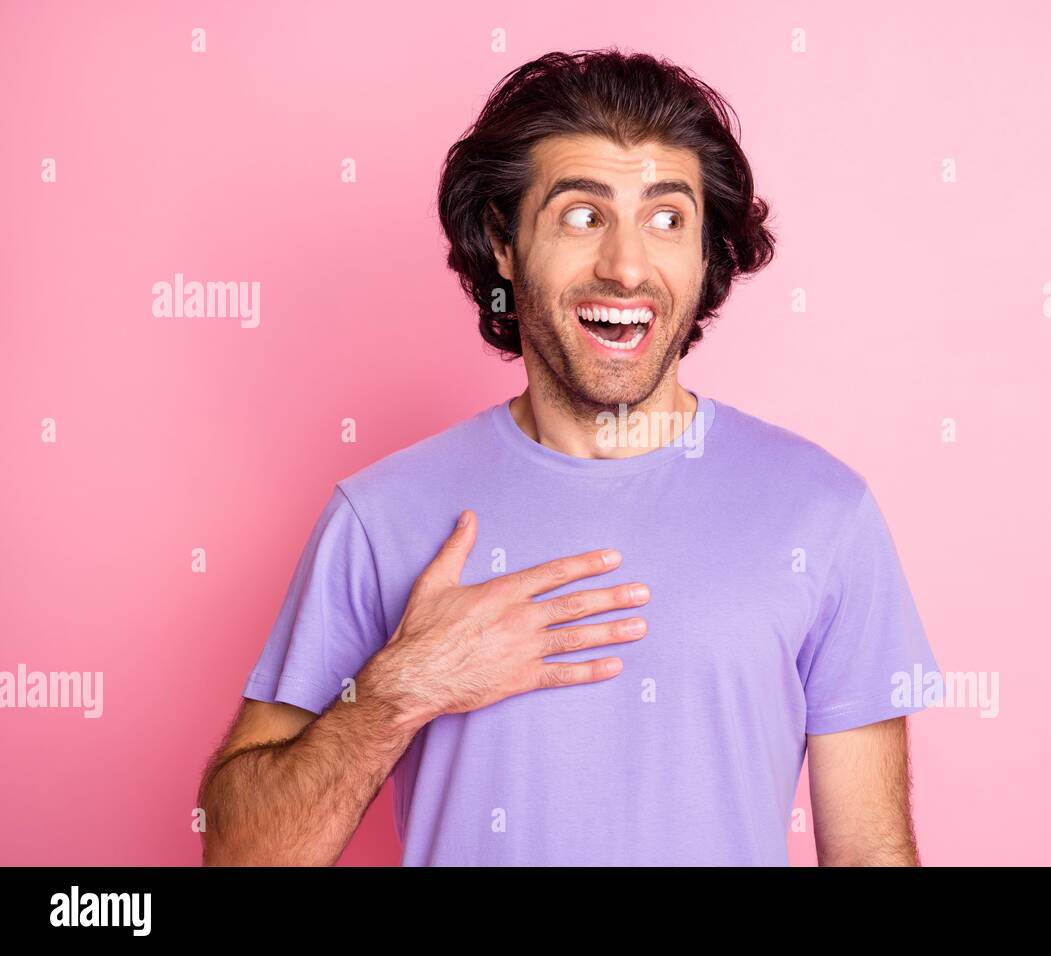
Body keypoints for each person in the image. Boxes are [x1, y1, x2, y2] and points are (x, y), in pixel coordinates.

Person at [197, 48, 942, 866]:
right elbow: (242, 857)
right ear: (504, 246)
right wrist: (399, 690)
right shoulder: (380, 516)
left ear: (706, 258)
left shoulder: (825, 515)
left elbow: (871, 855)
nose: (626, 265)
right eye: (582, 215)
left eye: (666, 220)